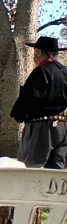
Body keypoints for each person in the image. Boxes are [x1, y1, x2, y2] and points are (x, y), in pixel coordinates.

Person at [12, 35, 67, 169]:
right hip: (64, 126)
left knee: (30, 168)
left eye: (35, 52)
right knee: (58, 171)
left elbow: (31, 97)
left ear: (39, 52)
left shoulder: (42, 71)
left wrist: (18, 114)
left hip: (42, 127)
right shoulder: (65, 72)